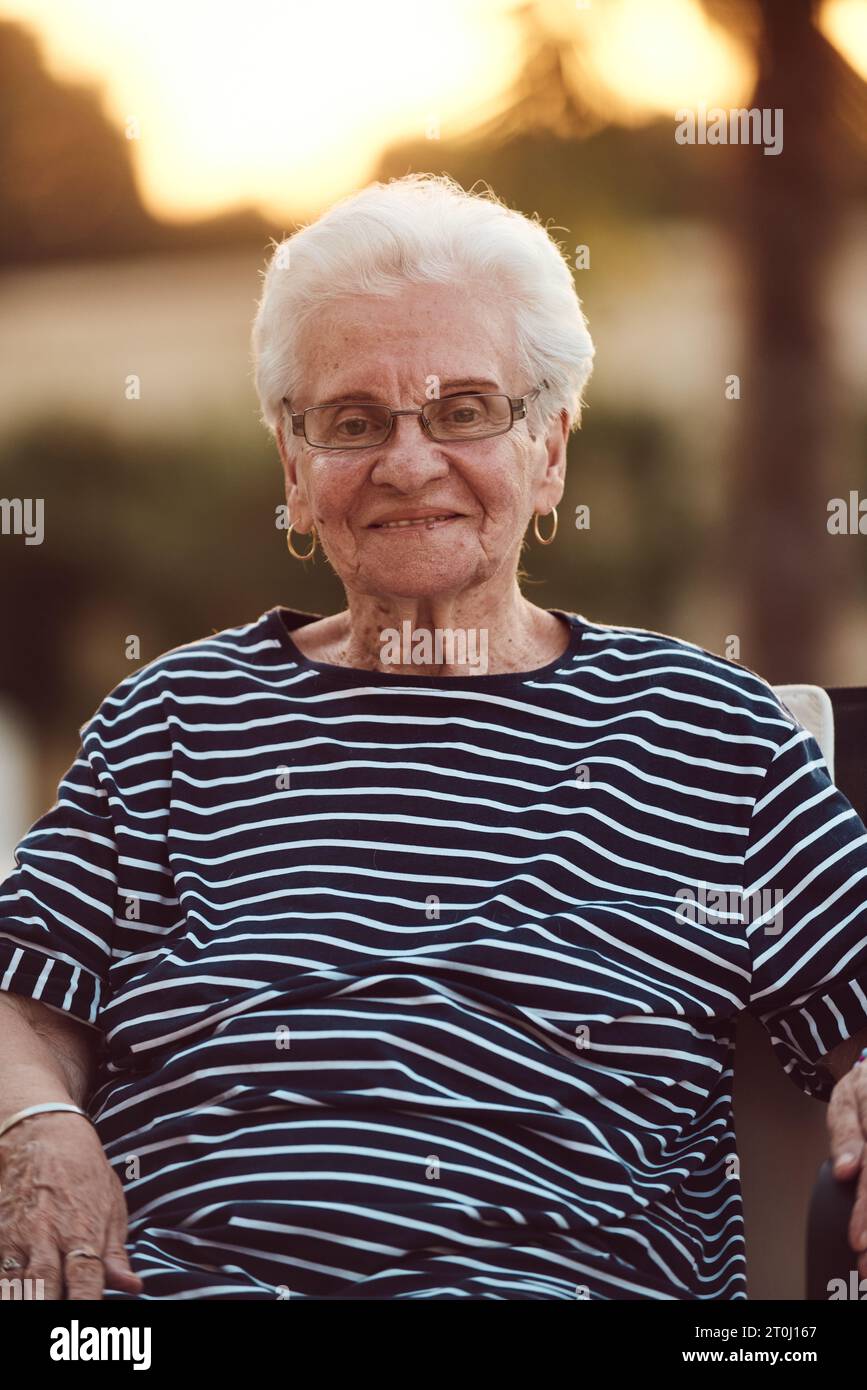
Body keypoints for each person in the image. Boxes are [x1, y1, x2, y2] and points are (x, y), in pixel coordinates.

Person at [2, 173, 867, 1301]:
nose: (409, 464)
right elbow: (24, 996)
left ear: (551, 447)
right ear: (294, 469)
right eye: (353, 422)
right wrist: (34, 1121)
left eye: (465, 410)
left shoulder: (709, 736)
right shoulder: (173, 721)